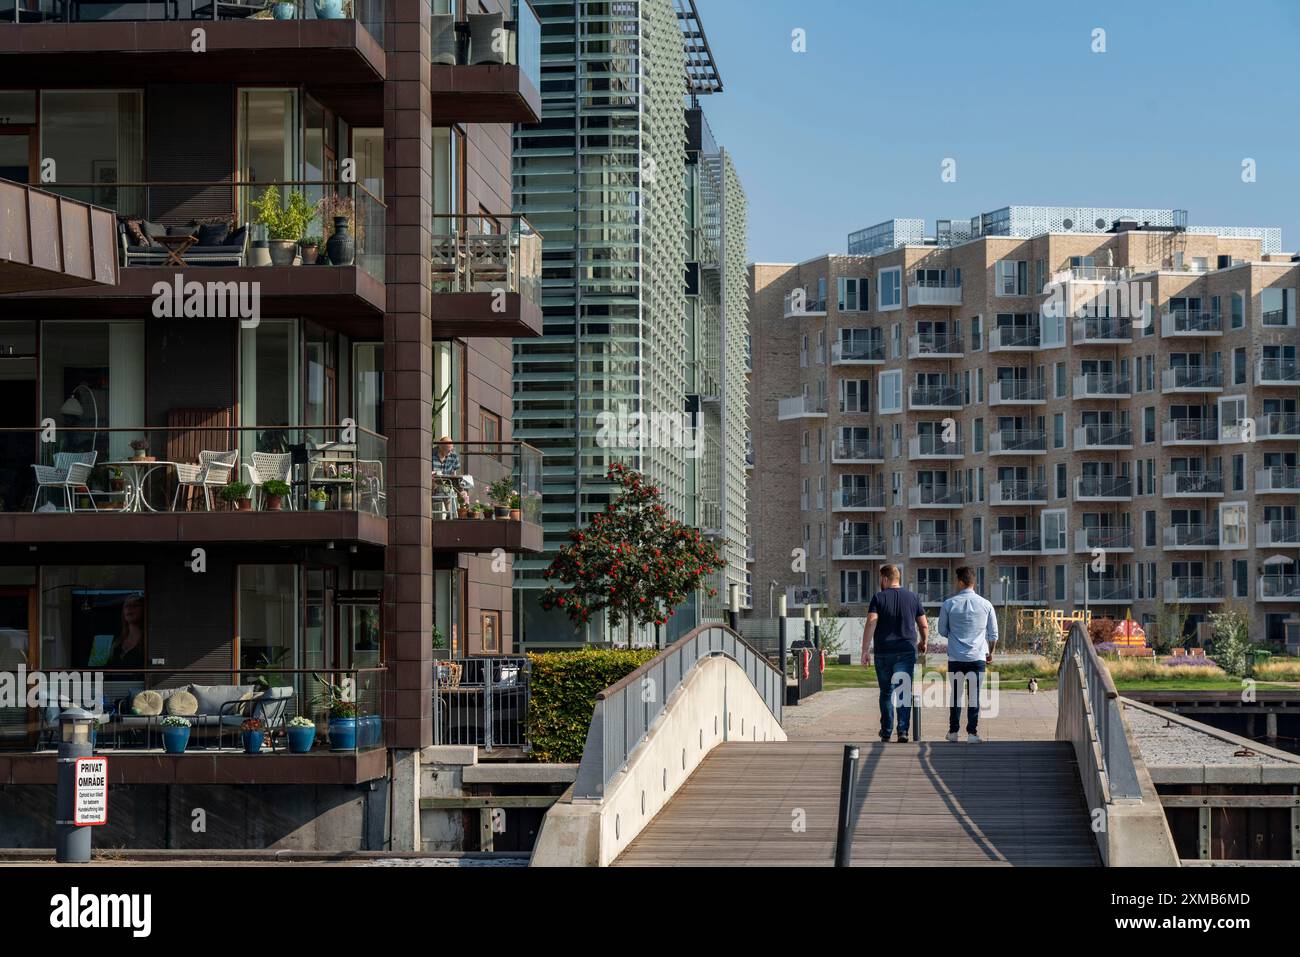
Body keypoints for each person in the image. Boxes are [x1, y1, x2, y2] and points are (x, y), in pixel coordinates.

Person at [860, 565, 927, 743]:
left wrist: (865, 650)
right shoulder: (913, 597)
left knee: (886, 692)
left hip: (883, 651)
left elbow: (871, 622)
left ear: (884, 579)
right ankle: (903, 730)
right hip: (906, 651)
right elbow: (923, 624)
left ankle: (886, 731)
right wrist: (924, 641)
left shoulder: (878, 597)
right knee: (904, 691)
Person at [937, 566, 998, 743]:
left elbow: (941, 630)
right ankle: (972, 733)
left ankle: (953, 732)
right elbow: (993, 635)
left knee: (956, 695)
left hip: (956, 658)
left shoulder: (949, 604)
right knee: (974, 696)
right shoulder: (986, 605)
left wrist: (954, 634)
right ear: (973, 582)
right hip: (977, 657)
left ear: (961, 582)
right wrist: (990, 653)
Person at [107, 594, 146, 669]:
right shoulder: (115, 641)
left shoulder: (148, 641)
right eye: (126, 606)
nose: (129, 608)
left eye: (135, 605)